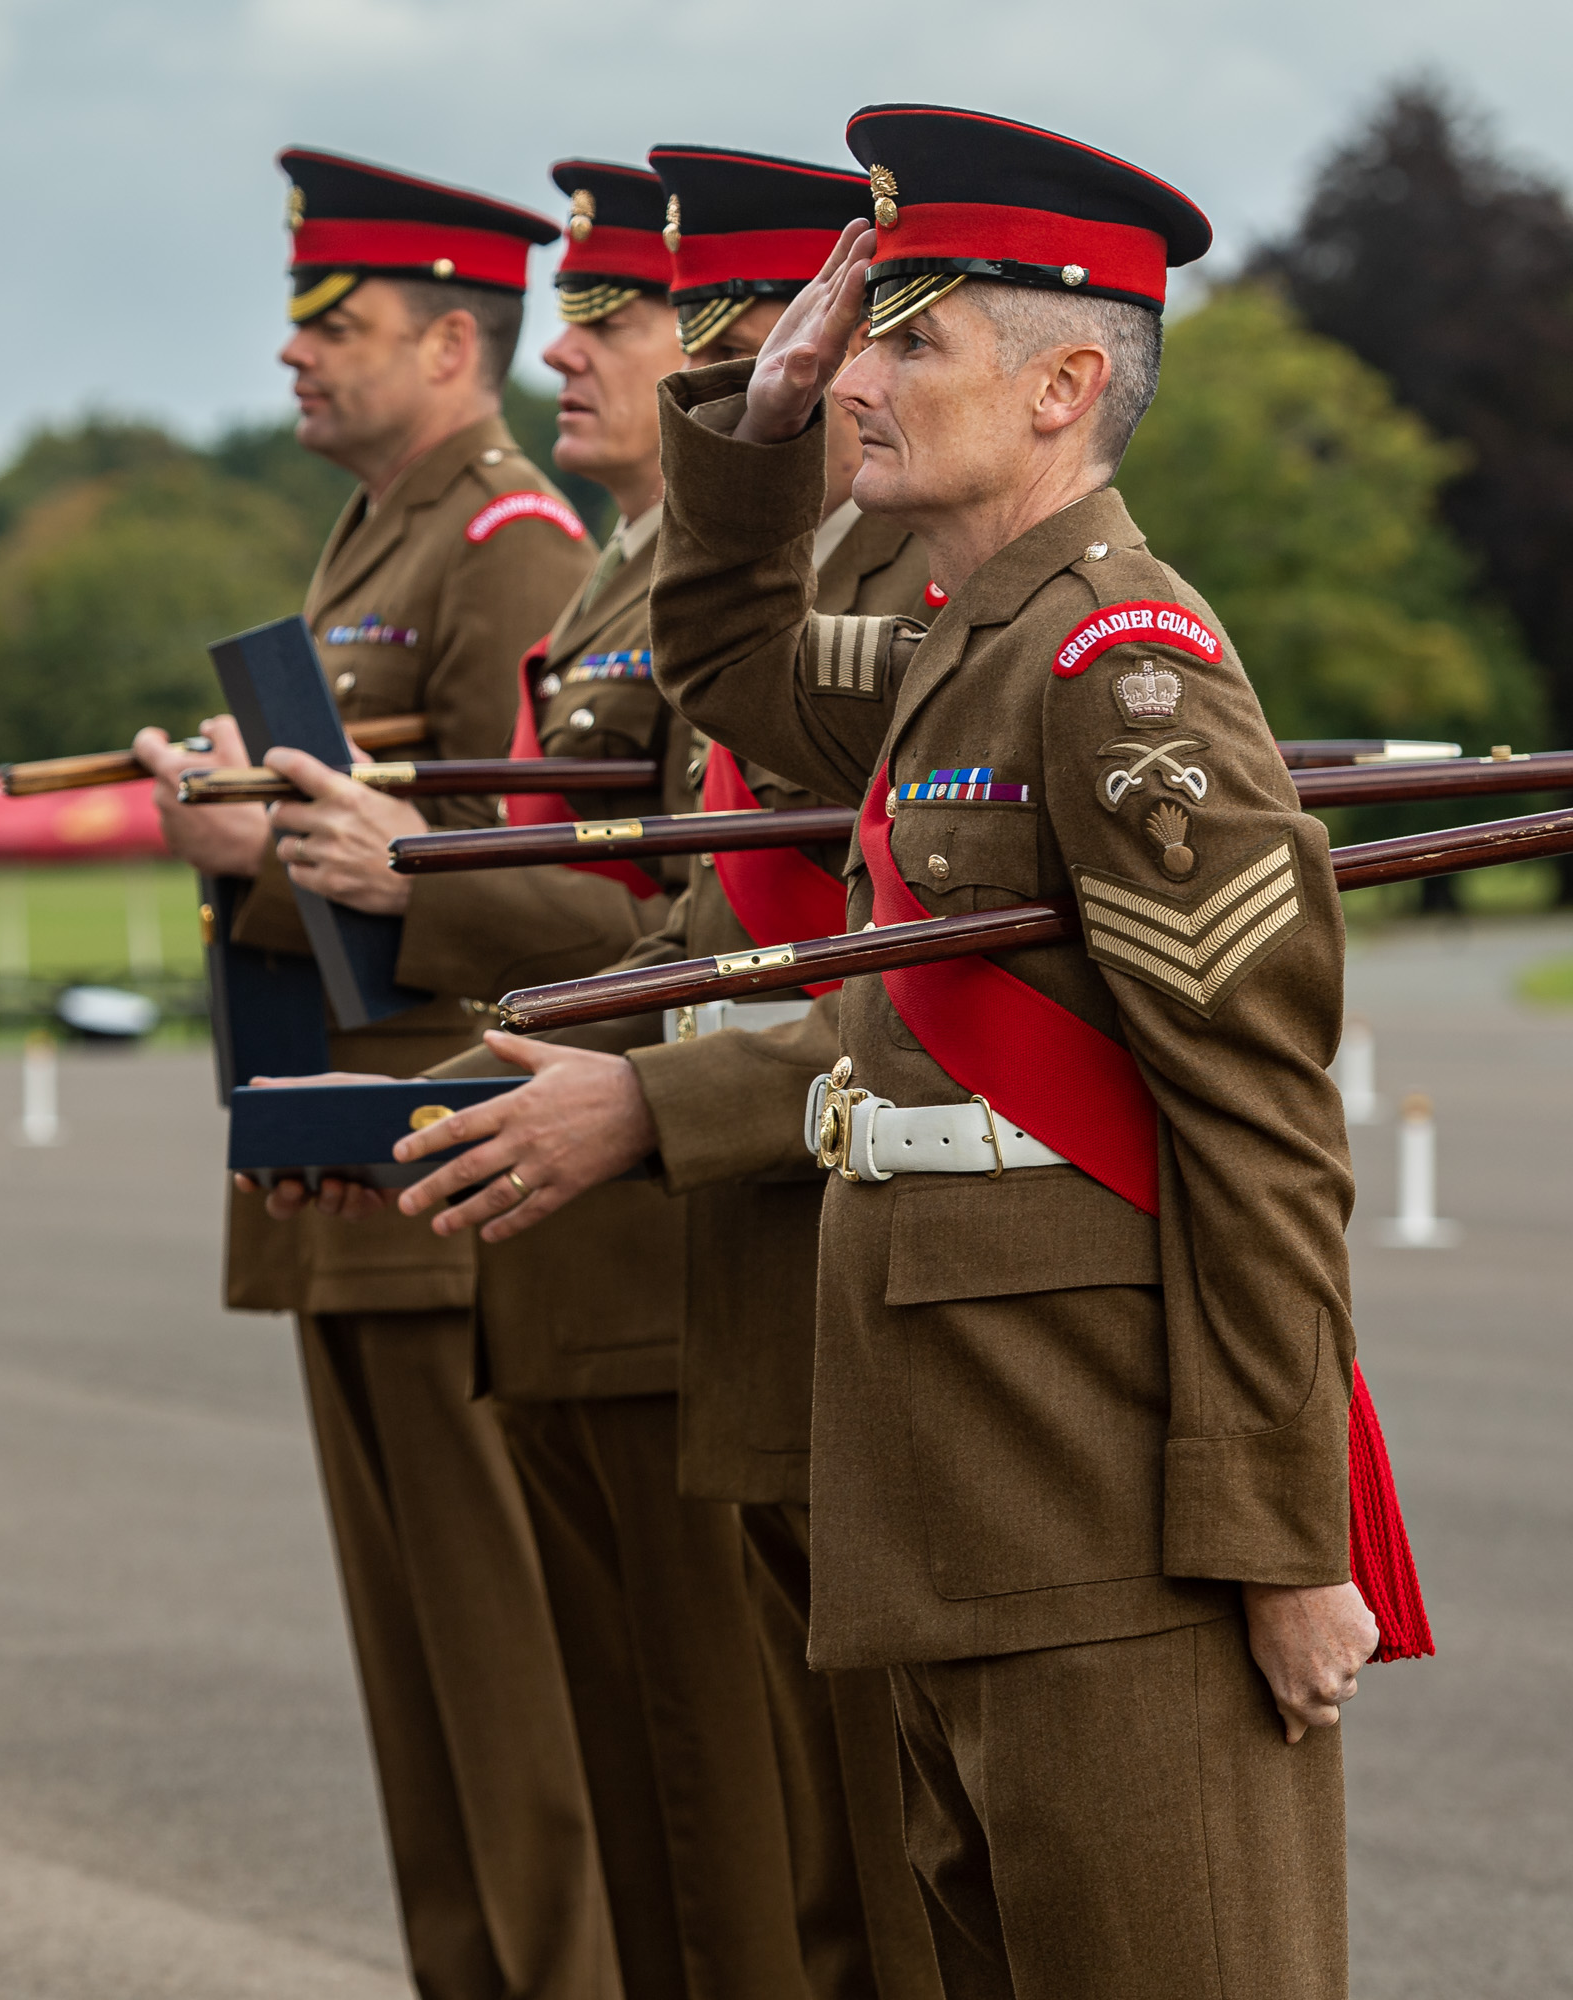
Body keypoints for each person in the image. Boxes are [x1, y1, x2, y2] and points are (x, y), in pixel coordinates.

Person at [616, 102, 1367, 1996]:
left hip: (1105, 1512)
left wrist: (1290, 1542)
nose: (860, 370)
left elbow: (1260, 1135)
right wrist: (757, 425)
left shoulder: (1120, 669)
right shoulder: (965, 646)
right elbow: (729, 674)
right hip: (958, 1492)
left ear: (1064, 388)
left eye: (911, 337)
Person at [398, 147, 944, 2000]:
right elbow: (705, 902)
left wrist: (624, 1070)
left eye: (719, 328)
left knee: (830, 1847)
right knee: (733, 1831)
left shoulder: (908, 591)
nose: (734, 386)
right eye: (687, 329)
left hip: (807, 1237)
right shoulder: (747, 575)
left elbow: (898, 964)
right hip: (693, 1211)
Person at [138, 146, 629, 2000]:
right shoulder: (377, 541)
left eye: (336, 326)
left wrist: (269, 851)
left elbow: (539, 888)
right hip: (349, 1170)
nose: (296, 358)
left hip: (444, 1167)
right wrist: (240, 826)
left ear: (452, 345)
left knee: (516, 1706)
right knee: (427, 1709)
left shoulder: (513, 553)